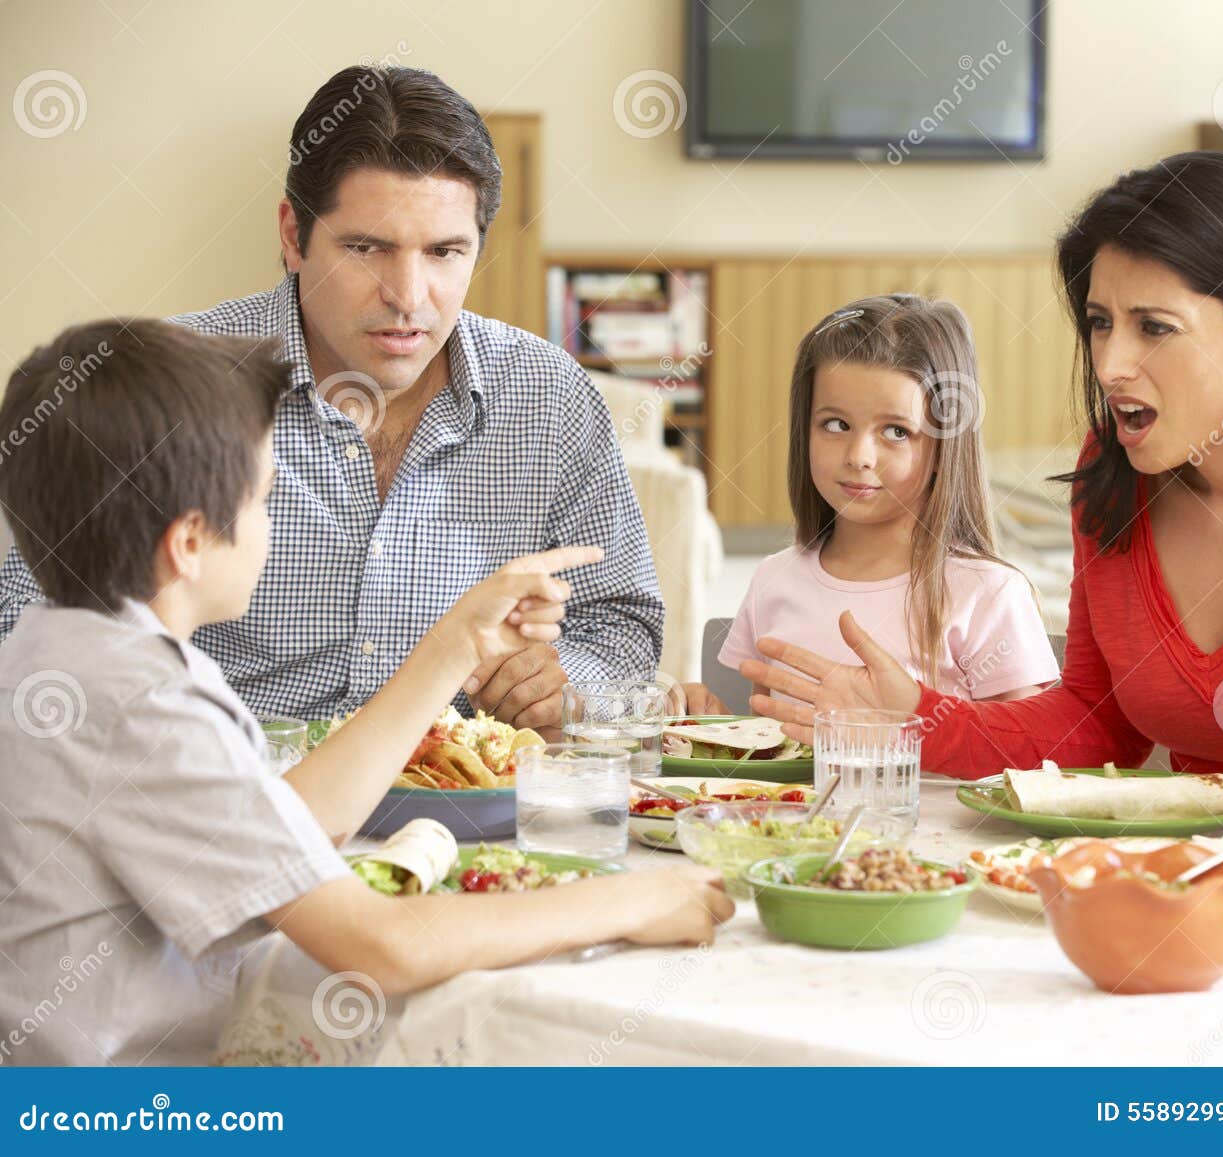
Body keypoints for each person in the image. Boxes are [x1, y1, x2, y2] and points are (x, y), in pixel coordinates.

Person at [0, 321, 732, 1066]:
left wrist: (458, 645)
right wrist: (629, 900)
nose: (270, 526)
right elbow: (380, 946)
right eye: (263, 500)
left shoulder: (65, 648)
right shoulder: (144, 706)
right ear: (190, 542)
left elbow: (287, 824)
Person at [739, 152, 1223, 838]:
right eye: (1100, 322)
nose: (1110, 363)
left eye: (1154, 327)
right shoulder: (1115, 473)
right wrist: (916, 714)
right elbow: (1092, 726)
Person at [0, 65, 664, 731]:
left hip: (461, 811)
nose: (408, 296)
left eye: (444, 252)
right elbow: (28, 624)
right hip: (222, 798)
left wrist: (562, 682)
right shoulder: (177, 381)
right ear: (294, 236)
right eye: (367, 248)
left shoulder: (550, 395)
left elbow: (623, 624)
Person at [682, 294, 1058, 715]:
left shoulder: (989, 593)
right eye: (836, 424)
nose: (859, 455)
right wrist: (705, 724)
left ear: (946, 447)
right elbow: (773, 745)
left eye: (896, 431)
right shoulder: (774, 579)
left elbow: (1026, 761)